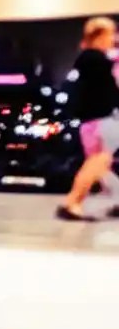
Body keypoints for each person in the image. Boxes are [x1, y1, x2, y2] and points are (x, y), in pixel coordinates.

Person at [57, 16, 119, 221]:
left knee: (101, 164)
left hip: (92, 122)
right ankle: (72, 203)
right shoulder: (96, 59)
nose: (114, 38)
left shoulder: (87, 59)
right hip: (100, 120)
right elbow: (109, 91)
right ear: (100, 35)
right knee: (97, 162)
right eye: (111, 34)